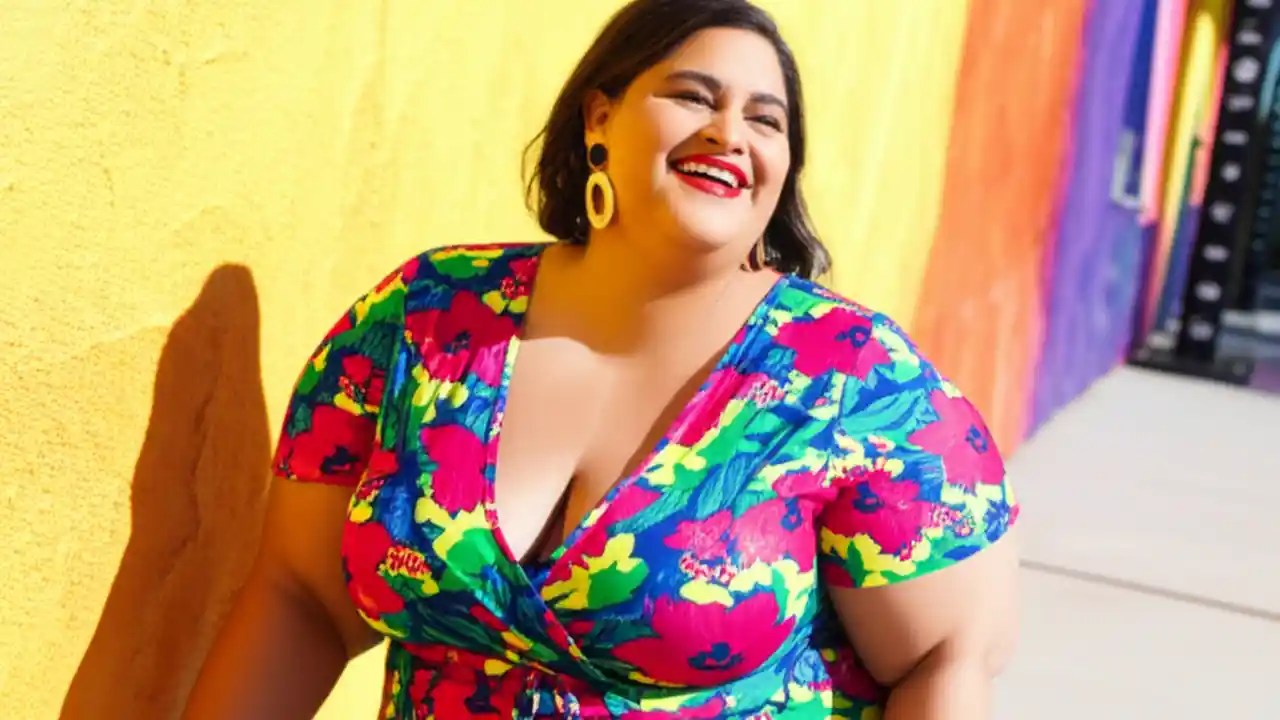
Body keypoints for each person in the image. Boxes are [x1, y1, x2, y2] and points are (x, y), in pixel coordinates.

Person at [183, 0, 1020, 717]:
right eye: (694, 96)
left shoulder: (854, 377)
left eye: (765, 119)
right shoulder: (429, 318)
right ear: (600, 118)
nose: (730, 133)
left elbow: (944, 657)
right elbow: (301, 597)